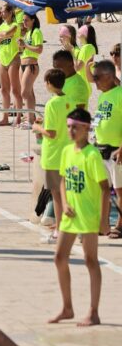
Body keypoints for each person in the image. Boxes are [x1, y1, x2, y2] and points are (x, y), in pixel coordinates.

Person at [50, 107, 109, 326]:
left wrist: (103, 220)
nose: (71, 131)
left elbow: (105, 188)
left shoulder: (92, 155)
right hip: (70, 214)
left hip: (88, 215)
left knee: (90, 260)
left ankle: (94, 312)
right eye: (68, 127)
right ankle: (67, 308)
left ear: (86, 129)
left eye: (75, 127)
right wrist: (64, 203)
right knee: (59, 258)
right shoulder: (67, 151)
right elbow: (64, 179)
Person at [33, 69, 74, 244]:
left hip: (54, 154)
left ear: (49, 83)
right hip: (67, 151)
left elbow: (51, 133)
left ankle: (59, 230)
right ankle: (67, 226)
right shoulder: (69, 99)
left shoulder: (52, 103)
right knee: (68, 194)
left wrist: (37, 128)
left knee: (56, 196)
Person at [91, 60, 122, 237]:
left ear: (109, 76)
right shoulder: (103, 96)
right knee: (102, 189)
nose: (94, 81)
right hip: (101, 149)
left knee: (119, 190)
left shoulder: (119, 94)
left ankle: (120, 225)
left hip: (116, 150)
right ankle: (103, 224)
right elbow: (99, 120)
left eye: (97, 77)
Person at [0, 5, 23, 126]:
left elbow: (8, 33)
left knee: (15, 90)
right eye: (1, 12)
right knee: (4, 90)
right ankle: (5, 117)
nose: (2, 14)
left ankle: (19, 117)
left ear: (10, 13)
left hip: (13, 59)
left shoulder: (15, 25)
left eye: (4, 12)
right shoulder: (2, 25)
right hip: (2, 59)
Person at [19, 13, 44, 125]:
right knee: (28, 92)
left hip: (31, 65)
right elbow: (25, 50)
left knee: (25, 92)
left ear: (33, 20)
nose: (24, 22)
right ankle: (31, 117)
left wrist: (25, 45)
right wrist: (21, 46)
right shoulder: (28, 33)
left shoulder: (36, 31)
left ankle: (30, 117)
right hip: (23, 64)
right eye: (23, 20)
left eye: (27, 20)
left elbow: (39, 49)